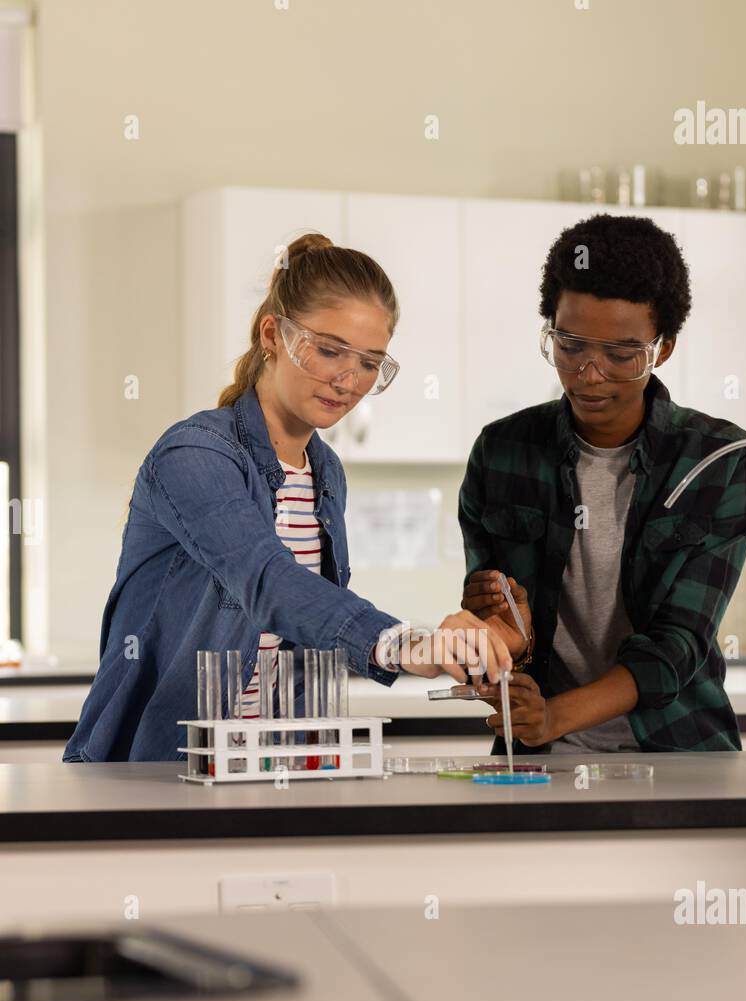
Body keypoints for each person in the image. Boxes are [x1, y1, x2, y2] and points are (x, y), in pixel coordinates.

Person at [64, 233, 510, 762]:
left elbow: (306, 626)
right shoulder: (194, 455)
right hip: (160, 769)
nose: (348, 379)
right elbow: (268, 582)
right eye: (328, 350)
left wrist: (440, 643)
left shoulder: (326, 472)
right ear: (272, 334)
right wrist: (403, 643)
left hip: (272, 765)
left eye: (370, 362)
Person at [458, 213, 746, 754]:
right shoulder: (502, 452)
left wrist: (555, 715)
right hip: (541, 758)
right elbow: (507, 638)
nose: (590, 373)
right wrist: (496, 638)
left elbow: (678, 645)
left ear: (662, 348)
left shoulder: (722, 461)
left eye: (622, 354)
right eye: (570, 345)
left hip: (680, 753)